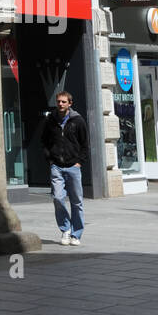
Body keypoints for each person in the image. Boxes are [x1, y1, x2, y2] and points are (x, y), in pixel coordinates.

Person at [42, 90, 88, 246]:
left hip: (73, 166)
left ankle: (76, 234)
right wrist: (50, 160)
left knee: (77, 202)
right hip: (57, 167)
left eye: (63, 102)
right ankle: (65, 230)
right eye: (58, 102)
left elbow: (84, 144)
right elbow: (44, 141)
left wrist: (79, 162)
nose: (60, 104)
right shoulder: (50, 120)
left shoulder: (78, 120)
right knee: (57, 198)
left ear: (70, 103)